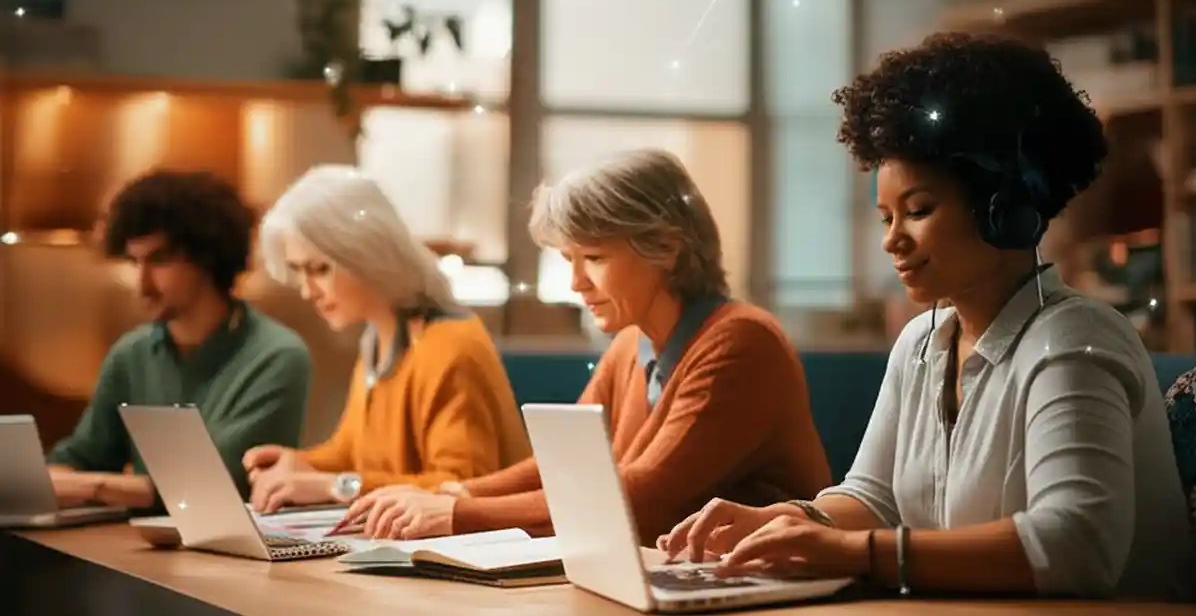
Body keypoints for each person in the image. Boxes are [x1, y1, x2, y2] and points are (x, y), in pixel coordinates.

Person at [658, 33, 1196, 601]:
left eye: (918, 211)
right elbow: (875, 498)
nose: (892, 241)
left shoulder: (1073, 342)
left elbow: (1075, 546)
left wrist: (856, 554)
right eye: (885, 217)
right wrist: (788, 521)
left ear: (1003, 208)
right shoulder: (922, 342)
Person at [337, 149, 832, 543]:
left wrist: (458, 513)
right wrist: (454, 491)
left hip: (765, 598)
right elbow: (567, 464)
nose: (576, 282)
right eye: (569, 258)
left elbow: (640, 500)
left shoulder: (741, 342)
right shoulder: (631, 343)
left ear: (666, 246)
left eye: (592, 257)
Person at [242, 165, 530, 513]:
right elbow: (351, 453)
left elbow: (460, 483)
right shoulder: (379, 336)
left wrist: (333, 486)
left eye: (319, 269)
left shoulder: (449, 346)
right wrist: (301, 465)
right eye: (299, 271)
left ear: (368, 254)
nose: (307, 291)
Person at [47, 170, 311, 510]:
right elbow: (84, 455)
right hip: (133, 546)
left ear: (207, 256)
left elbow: (214, 485)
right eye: (134, 261)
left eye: (158, 260)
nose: (141, 284)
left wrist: (93, 486)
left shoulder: (277, 356)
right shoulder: (131, 354)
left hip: (234, 555)